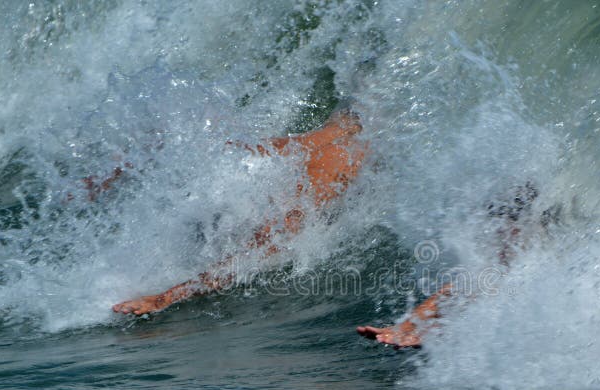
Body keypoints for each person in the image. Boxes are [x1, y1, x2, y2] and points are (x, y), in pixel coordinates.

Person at [112, 109, 367, 315]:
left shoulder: (302, 199)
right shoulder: (270, 153)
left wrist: (164, 298)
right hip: (347, 123)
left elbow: (243, 261)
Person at [357, 182, 549, 348]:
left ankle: (435, 334)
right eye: (497, 229)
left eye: (508, 230)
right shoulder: (507, 259)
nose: (500, 239)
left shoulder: (547, 261)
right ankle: (407, 329)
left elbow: (502, 307)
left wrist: (437, 331)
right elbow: (462, 290)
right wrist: (406, 325)